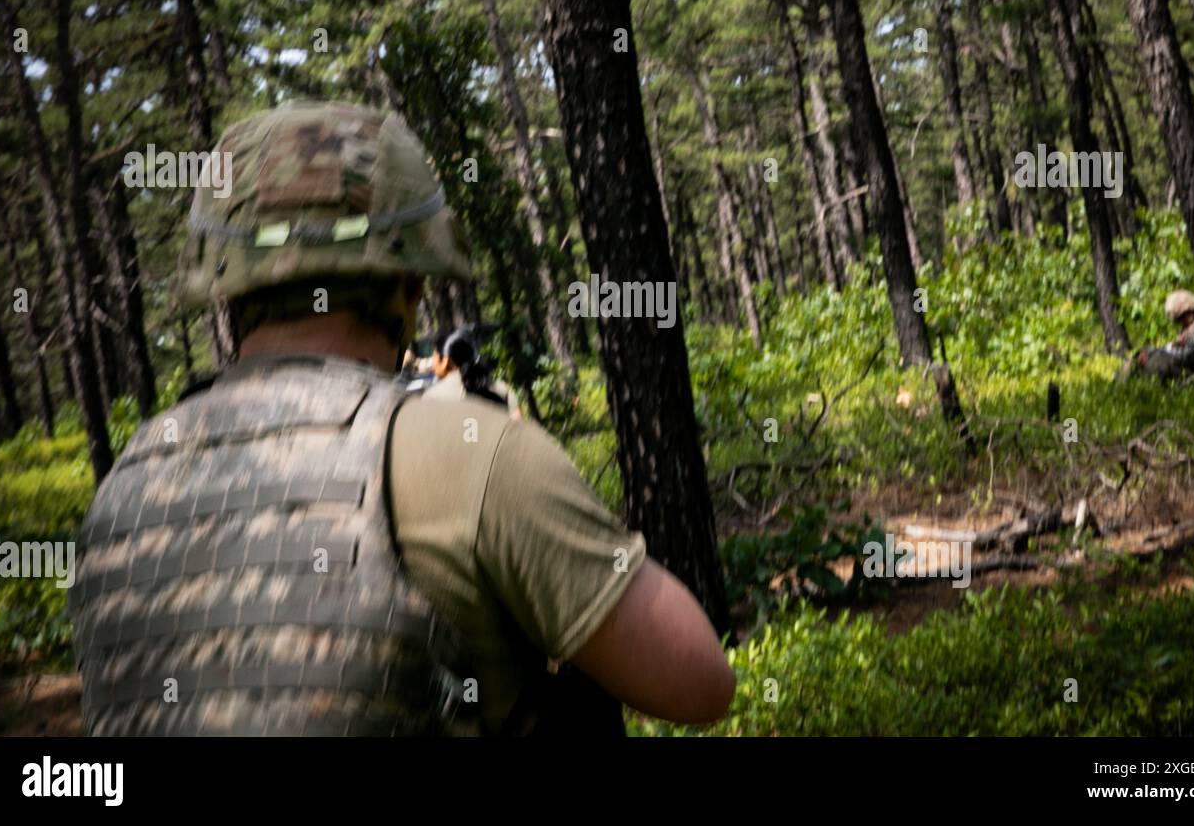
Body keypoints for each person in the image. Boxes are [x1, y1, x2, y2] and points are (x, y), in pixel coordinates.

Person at [68, 101, 734, 736]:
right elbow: (698, 682)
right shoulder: (474, 454)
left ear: (227, 292)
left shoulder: (122, 487)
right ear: (413, 281)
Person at [425, 327, 522, 419]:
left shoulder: (432, 397)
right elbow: (517, 422)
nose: (432, 361)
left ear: (445, 361)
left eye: (434, 356)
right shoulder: (499, 386)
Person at [1131, 289, 1194, 380]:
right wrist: (1151, 352)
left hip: (1192, 370)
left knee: (1155, 362)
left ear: (1190, 312)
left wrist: (1173, 347)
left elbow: (1190, 354)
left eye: (1181, 318)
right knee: (1139, 357)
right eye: (1178, 320)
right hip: (1182, 367)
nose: (1180, 322)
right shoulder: (1187, 330)